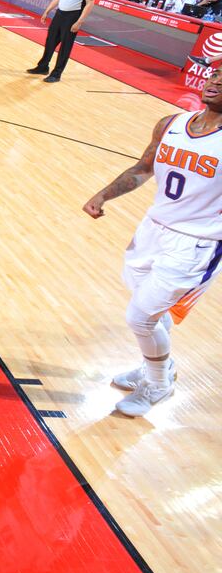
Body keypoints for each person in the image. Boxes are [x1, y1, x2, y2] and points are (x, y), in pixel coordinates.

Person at [82, 68, 222, 417]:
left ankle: (159, 382)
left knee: (140, 317)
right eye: (216, 73)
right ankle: (155, 368)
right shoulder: (171, 123)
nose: (216, 80)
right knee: (146, 305)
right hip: (154, 229)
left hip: (197, 243)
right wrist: (104, 194)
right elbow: (143, 168)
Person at [28, 0, 97, 84]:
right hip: (60, 14)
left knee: (65, 46)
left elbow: (90, 3)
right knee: (50, 42)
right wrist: (47, 10)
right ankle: (43, 67)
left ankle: (56, 73)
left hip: (73, 16)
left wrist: (79, 21)